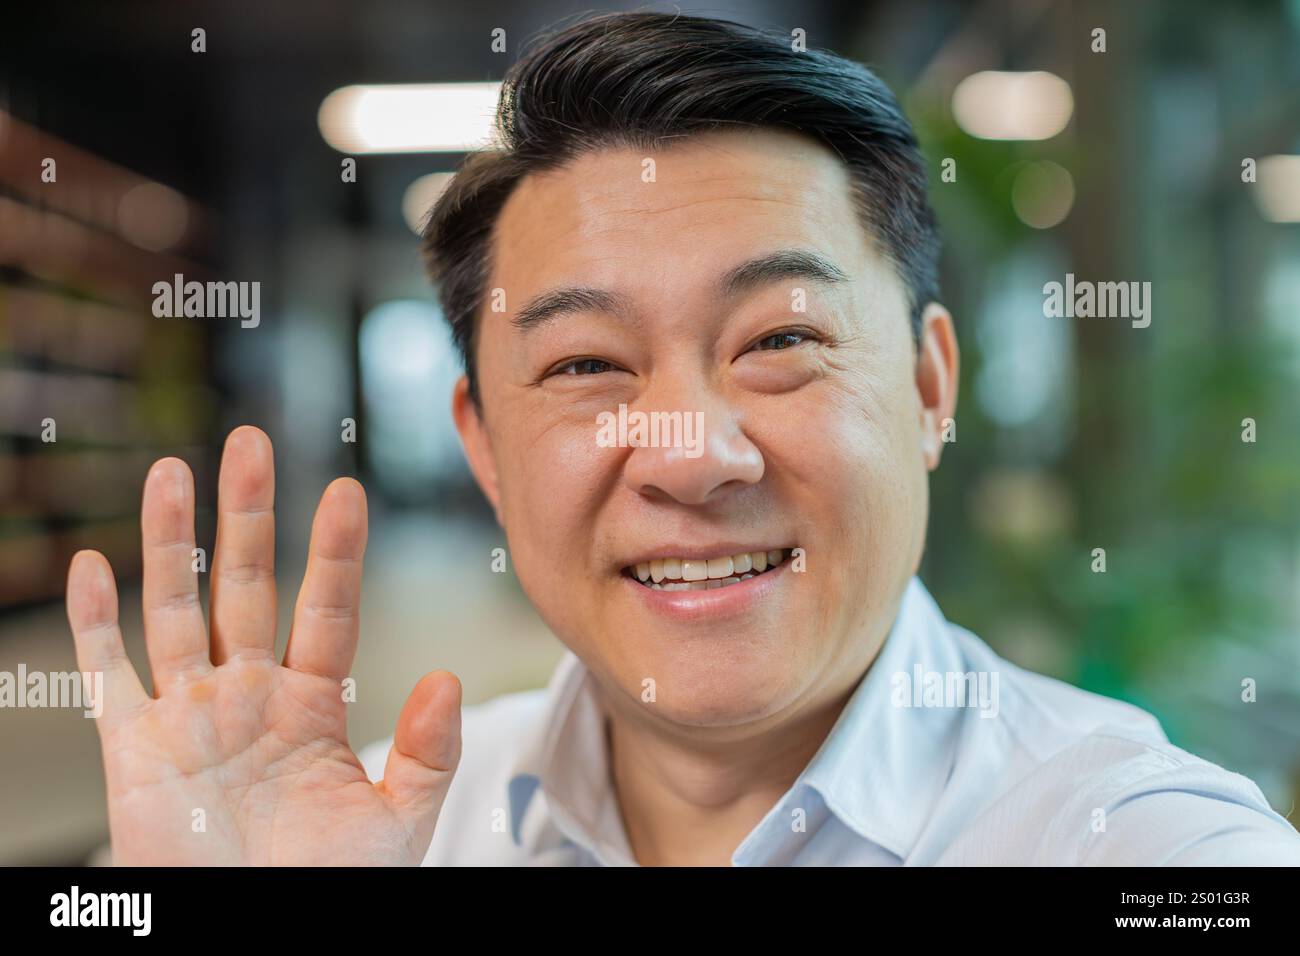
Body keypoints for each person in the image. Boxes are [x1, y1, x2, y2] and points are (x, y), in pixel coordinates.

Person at [64, 12, 1300, 866]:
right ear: (484, 447)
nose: (689, 452)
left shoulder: (1138, 840)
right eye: (586, 363)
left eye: (775, 339)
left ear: (930, 384)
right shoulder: (384, 824)